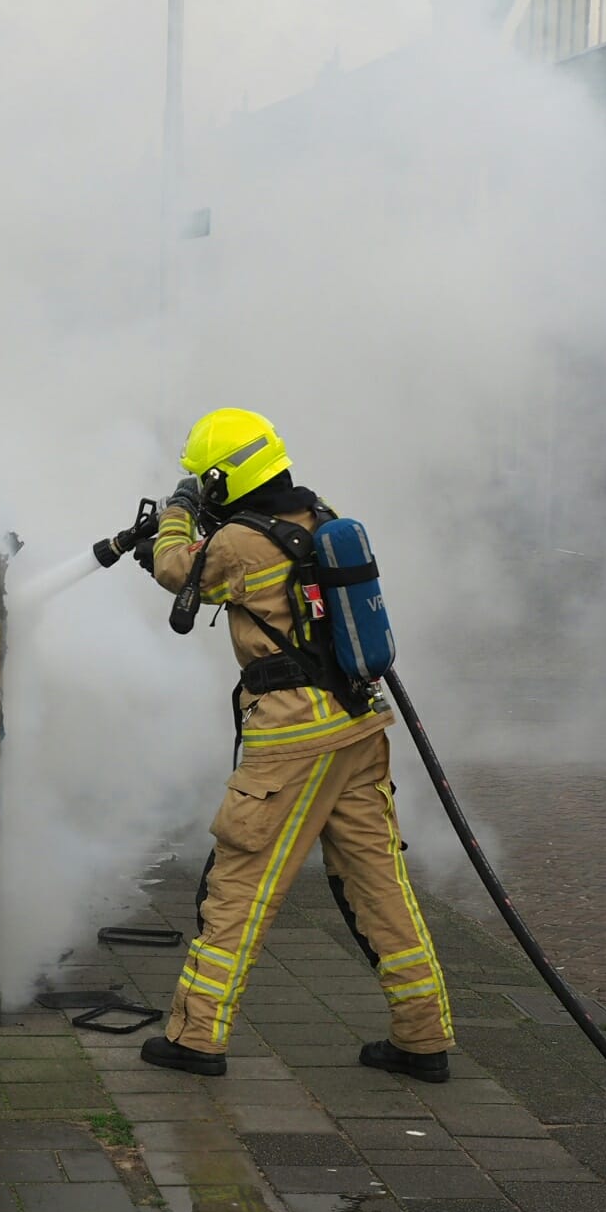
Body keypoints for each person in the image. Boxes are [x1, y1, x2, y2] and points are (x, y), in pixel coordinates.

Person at [137, 407, 454, 1082]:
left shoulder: (240, 544)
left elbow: (175, 568)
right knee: (379, 884)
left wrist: (178, 511)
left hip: (292, 737)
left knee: (241, 884)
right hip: (357, 722)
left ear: (223, 477)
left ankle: (195, 1037)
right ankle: (423, 1037)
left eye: (205, 479)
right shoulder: (318, 514)